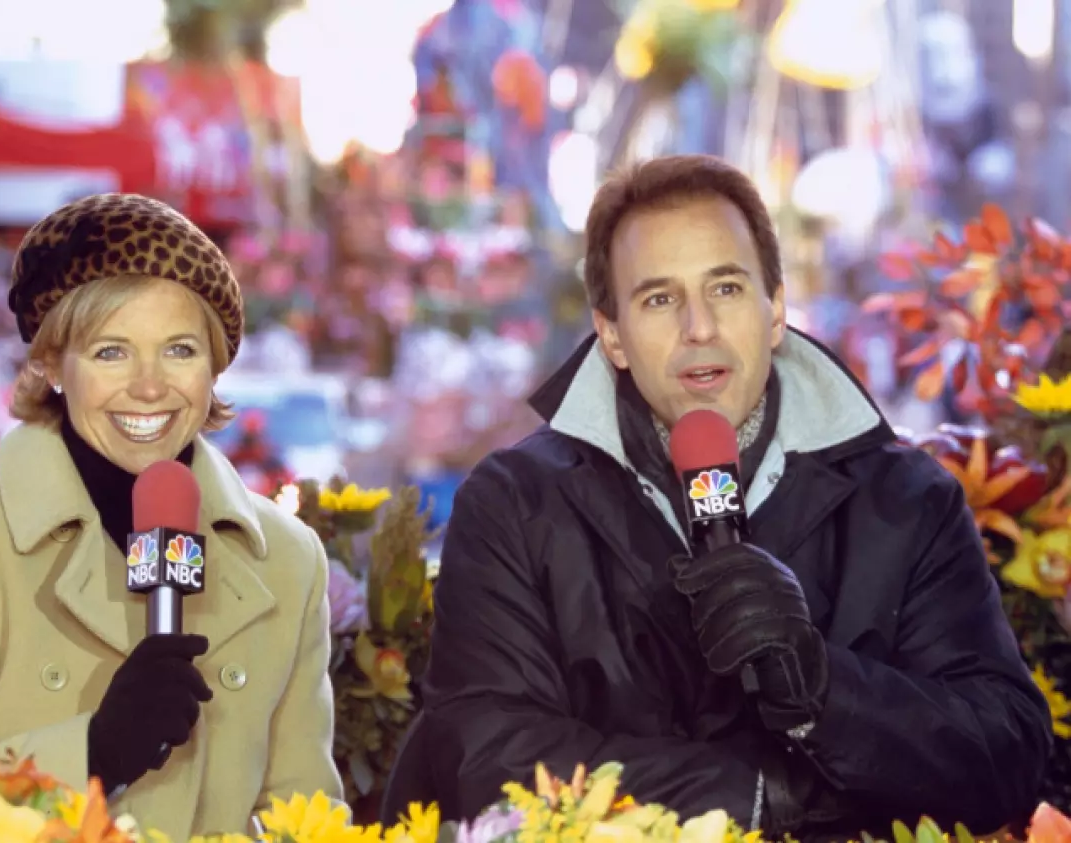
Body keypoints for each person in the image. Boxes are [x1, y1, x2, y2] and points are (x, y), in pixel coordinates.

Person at [387, 156, 1052, 840]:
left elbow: (1006, 753)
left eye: (727, 287)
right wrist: (767, 795)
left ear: (776, 310)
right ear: (611, 333)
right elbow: (487, 756)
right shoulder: (514, 507)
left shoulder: (906, 502)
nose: (698, 326)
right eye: (658, 298)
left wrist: (824, 689)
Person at [0, 194, 342, 839]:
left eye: (180, 350)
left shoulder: (290, 560)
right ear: (50, 364)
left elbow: (309, 816)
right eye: (111, 352)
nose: (151, 386)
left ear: (215, 365)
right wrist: (92, 754)